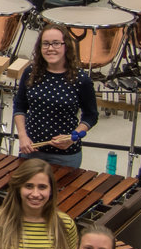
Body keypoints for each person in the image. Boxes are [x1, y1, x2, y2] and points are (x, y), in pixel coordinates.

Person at [14, 24, 98, 168]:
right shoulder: (30, 72)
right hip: (31, 150)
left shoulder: (81, 79)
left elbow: (91, 115)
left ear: (66, 46)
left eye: (56, 43)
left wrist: (74, 137)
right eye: (45, 44)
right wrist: (22, 136)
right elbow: (20, 106)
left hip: (65, 156)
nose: (50, 48)